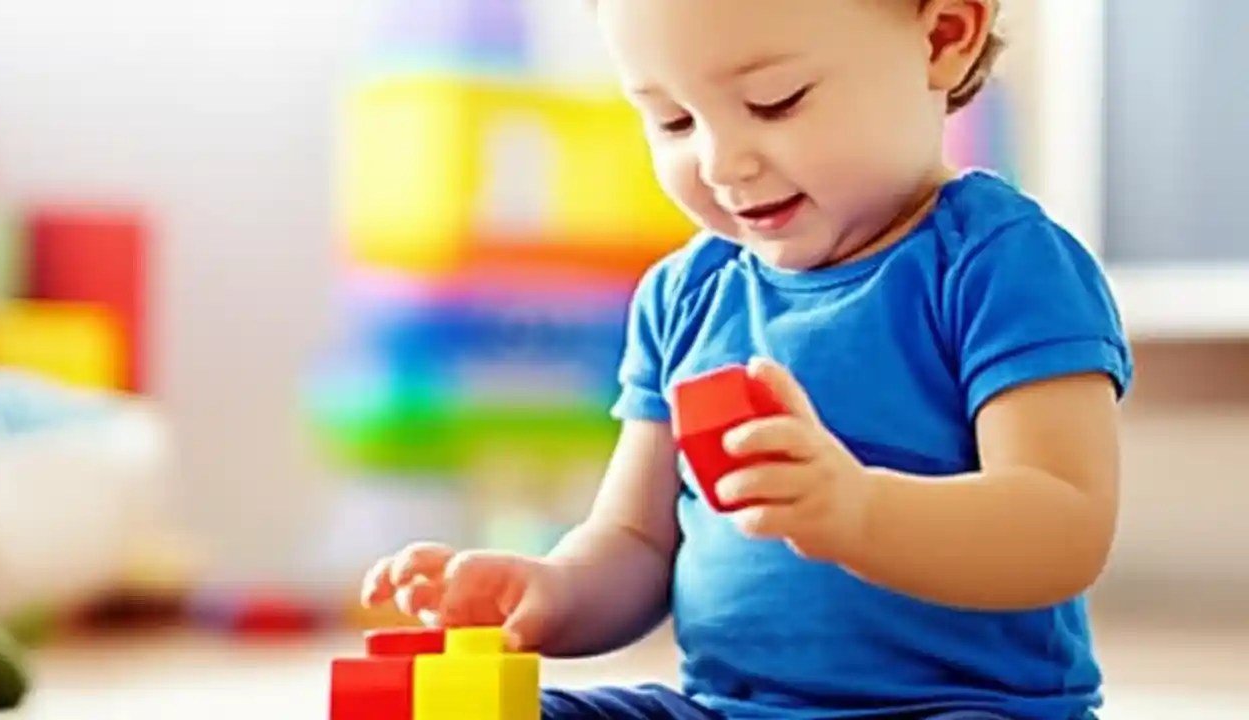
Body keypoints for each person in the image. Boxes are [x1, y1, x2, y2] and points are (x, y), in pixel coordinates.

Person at [362, 1, 1133, 718]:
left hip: (962, 705)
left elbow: (1063, 525)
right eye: (671, 121)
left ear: (943, 38)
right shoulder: (685, 294)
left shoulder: (1000, 264)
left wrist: (859, 511)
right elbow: (636, 541)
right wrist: (549, 592)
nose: (723, 161)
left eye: (776, 101)